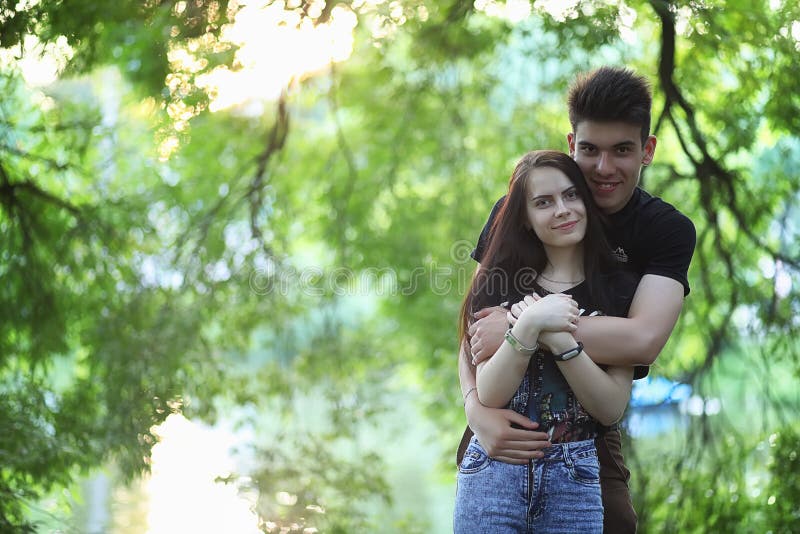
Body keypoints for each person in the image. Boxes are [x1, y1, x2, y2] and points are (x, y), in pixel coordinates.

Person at [458, 66, 696, 533]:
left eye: (622, 150)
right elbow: (470, 331)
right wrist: (474, 408)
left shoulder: (664, 230)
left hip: (587, 438)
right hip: (499, 422)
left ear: (647, 151)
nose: (604, 168)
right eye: (590, 150)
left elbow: (641, 341)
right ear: (572, 145)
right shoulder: (517, 211)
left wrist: (523, 324)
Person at [454, 150, 642, 532]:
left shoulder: (618, 289)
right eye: (544, 202)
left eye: (571, 195)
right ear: (525, 218)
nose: (562, 209)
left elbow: (610, 407)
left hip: (574, 479)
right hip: (493, 476)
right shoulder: (502, 281)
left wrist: (557, 337)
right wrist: (528, 324)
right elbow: (489, 393)